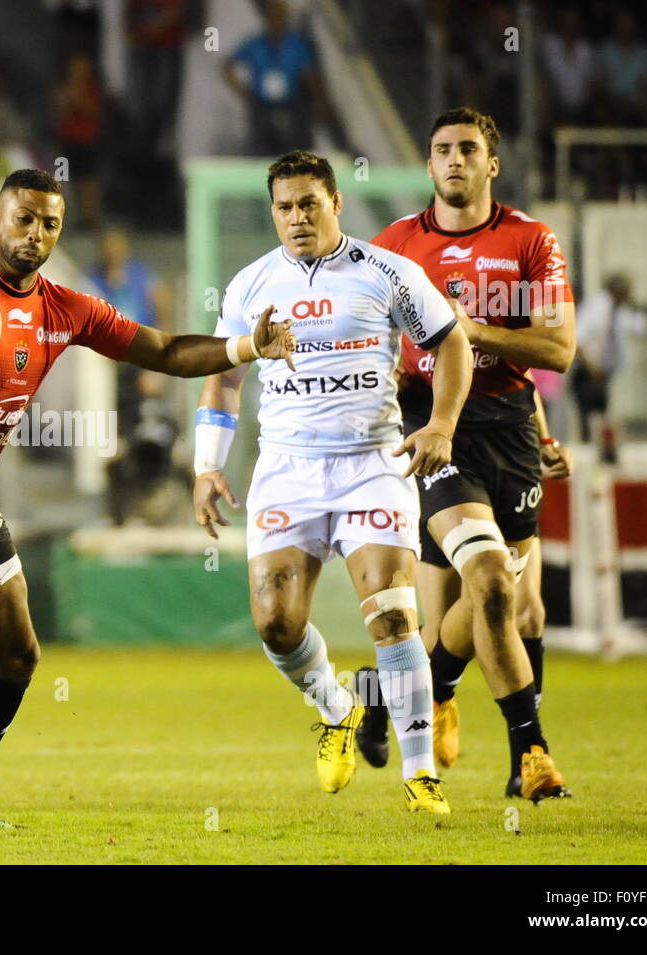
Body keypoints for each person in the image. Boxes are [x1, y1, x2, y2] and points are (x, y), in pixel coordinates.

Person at [0, 168, 298, 837]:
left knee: (18, 655)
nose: (35, 234)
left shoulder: (64, 309)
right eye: (23, 218)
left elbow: (165, 350)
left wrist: (246, 346)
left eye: (49, 222)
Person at [194, 150, 472, 815]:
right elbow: (224, 376)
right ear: (273, 213)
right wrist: (208, 463)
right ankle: (337, 707)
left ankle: (421, 772)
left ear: (336, 203)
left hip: (371, 464)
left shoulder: (388, 273)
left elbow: (451, 340)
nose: (296, 218)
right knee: (277, 623)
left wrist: (441, 423)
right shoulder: (249, 285)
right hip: (287, 470)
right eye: (285, 207)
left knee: (395, 611)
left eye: (309, 204)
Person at [361, 108, 576, 801]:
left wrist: (470, 332)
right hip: (431, 428)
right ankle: (532, 755)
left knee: (506, 599)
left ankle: (400, 695)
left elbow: (558, 349)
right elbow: (373, 352)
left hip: (508, 425)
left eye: (468, 149)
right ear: (428, 166)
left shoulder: (531, 240)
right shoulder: (392, 249)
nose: (454, 159)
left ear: (492, 164)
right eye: (442, 150)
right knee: (489, 577)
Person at [221, 0, 329, 156]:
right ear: (267, 19)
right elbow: (226, 65)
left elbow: (311, 74)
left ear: (285, 20)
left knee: (294, 154)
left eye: (280, 17)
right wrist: (242, 92)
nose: (276, 21)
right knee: (261, 153)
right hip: (261, 108)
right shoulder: (254, 44)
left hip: (291, 108)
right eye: (272, 17)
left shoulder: (297, 44)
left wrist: (320, 101)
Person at [570, 272, 645, 464]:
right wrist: (591, 367)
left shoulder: (617, 309)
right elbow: (577, 340)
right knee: (590, 416)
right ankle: (590, 456)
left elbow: (634, 324)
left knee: (604, 415)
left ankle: (607, 452)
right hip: (588, 372)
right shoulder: (596, 307)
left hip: (605, 373)